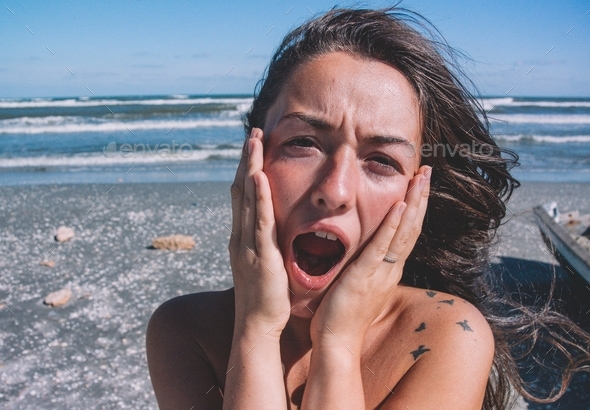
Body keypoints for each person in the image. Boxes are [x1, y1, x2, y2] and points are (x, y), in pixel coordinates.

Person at [146, 7, 590, 410]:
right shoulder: (184, 331)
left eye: (381, 160)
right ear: (252, 158)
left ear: (416, 195)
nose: (335, 190)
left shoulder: (449, 337)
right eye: (303, 142)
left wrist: (337, 343)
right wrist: (256, 331)